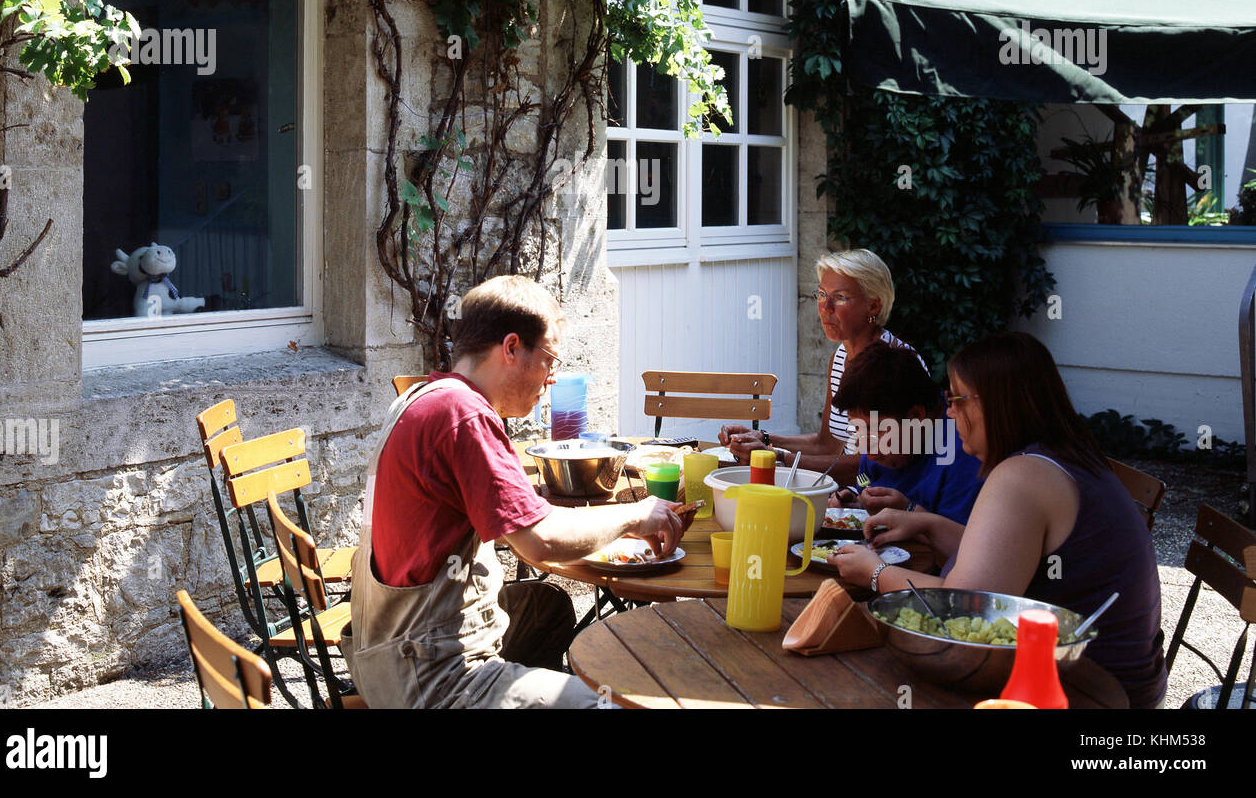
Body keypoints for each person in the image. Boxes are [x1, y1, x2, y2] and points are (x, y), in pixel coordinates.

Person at [346, 275, 683, 709]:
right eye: (550, 360)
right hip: (432, 678)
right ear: (511, 348)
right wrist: (634, 515)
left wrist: (612, 528)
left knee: (546, 610)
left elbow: (526, 521)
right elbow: (540, 542)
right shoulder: (464, 416)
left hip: (383, 647)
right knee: (615, 705)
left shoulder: (424, 397)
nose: (552, 378)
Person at [830, 331, 1166, 709]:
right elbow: (1006, 562)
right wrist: (925, 523)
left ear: (998, 404)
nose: (949, 411)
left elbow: (962, 605)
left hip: (1086, 687)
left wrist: (874, 572)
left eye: (957, 399)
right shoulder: (1060, 456)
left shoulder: (1021, 476)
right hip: (1120, 676)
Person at [720, 248, 922, 483]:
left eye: (841, 297)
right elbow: (826, 443)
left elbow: (877, 460)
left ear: (873, 306)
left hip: (883, 500)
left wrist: (779, 458)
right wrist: (763, 438)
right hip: (848, 495)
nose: (826, 307)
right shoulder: (840, 357)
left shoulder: (895, 366)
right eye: (822, 294)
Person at [827, 341, 982, 524]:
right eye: (857, 427)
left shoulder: (966, 451)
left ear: (916, 416)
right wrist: (856, 501)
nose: (868, 451)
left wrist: (910, 512)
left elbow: (961, 544)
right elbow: (863, 482)